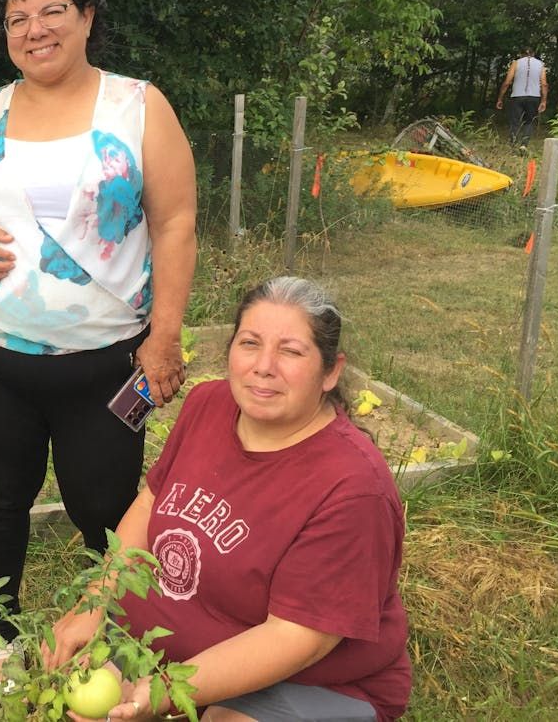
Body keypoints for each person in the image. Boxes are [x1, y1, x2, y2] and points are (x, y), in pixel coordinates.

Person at [0, 0, 198, 686]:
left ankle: (101, 634)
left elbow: (174, 223)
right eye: (18, 17)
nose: (35, 29)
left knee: (106, 509)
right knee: (0, 493)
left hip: (110, 362)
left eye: (52, 11)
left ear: (86, 18)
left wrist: (164, 337)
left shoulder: (138, 106)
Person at [45, 276, 412, 722]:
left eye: (291, 351)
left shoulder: (353, 487)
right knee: (71, 678)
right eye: (250, 343)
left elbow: (296, 638)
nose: (264, 366)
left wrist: (164, 691)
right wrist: (97, 600)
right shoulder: (208, 403)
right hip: (162, 643)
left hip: (309, 677)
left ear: (331, 371)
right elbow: (149, 505)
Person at [495, 48, 548, 149]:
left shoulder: (516, 63)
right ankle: (524, 145)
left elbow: (507, 82)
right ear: (533, 54)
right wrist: (544, 101)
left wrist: (500, 98)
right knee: (529, 121)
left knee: (515, 121)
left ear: (521, 54)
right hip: (534, 97)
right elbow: (544, 84)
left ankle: (513, 144)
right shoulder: (540, 64)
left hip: (517, 96)